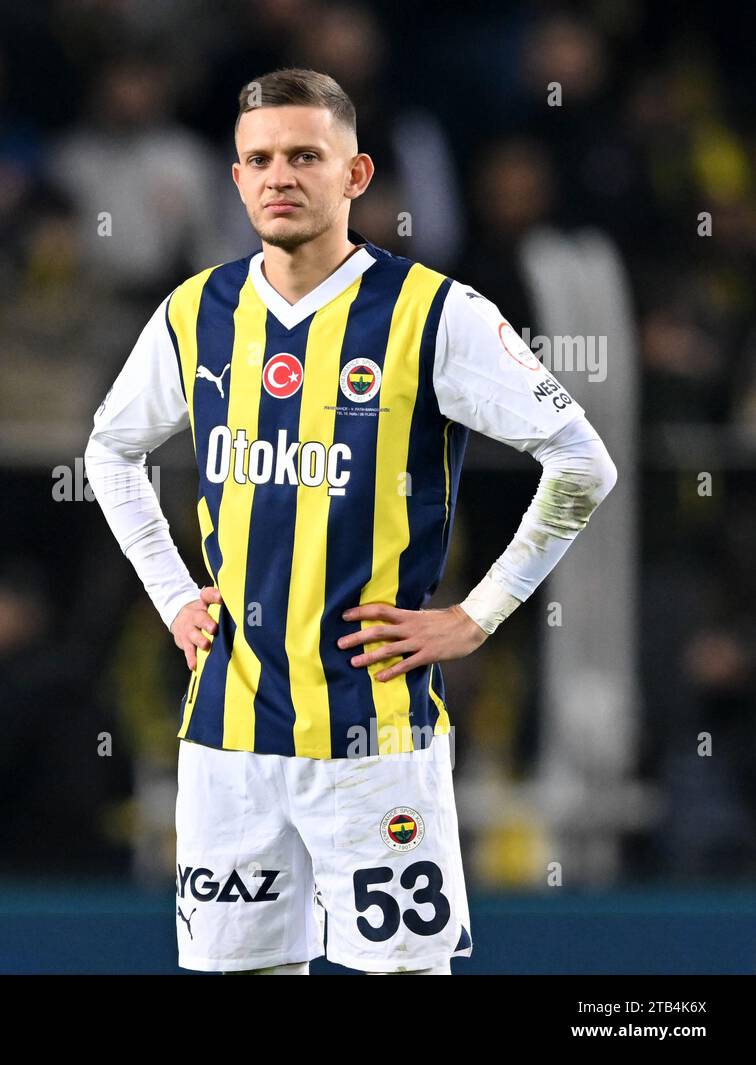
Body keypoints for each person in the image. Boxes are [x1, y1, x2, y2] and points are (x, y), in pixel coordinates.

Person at [84, 68, 617, 975]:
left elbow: (582, 460)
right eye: (258, 159)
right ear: (237, 178)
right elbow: (108, 450)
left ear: (356, 176)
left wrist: (475, 616)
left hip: (376, 740)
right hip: (228, 737)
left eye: (304, 156)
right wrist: (176, 597)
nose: (279, 176)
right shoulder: (196, 313)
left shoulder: (432, 315)